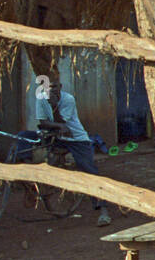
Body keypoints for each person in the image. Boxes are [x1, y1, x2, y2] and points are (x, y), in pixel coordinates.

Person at [17, 80, 112, 226]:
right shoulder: (41, 98)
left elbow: (64, 125)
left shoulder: (68, 99)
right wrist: (55, 124)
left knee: (89, 170)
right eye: (48, 87)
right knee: (23, 136)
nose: (51, 89)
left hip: (76, 139)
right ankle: (29, 180)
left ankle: (103, 209)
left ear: (60, 87)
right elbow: (43, 123)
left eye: (54, 86)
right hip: (55, 136)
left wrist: (54, 105)